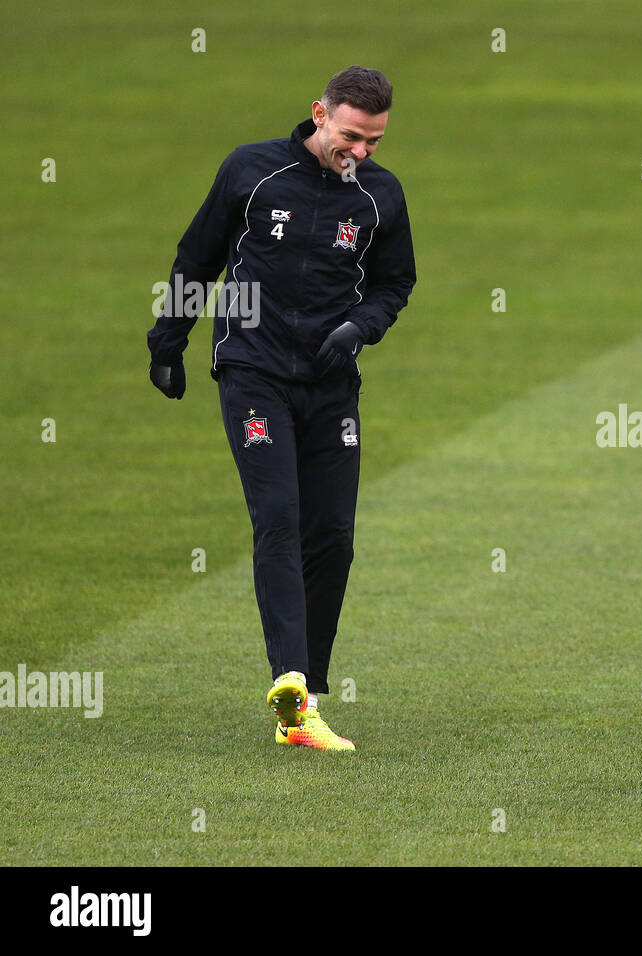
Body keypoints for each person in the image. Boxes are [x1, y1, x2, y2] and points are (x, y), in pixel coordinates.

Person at [146, 65, 416, 751]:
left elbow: (395, 282)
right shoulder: (253, 171)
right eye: (351, 136)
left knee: (333, 538)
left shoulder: (381, 198)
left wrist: (360, 329)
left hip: (332, 386)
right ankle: (289, 684)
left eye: (375, 142)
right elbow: (197, 255)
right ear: (320, 114)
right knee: (280, 519)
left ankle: (309, 701)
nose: (360, 152)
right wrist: (167, 341)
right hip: (254, 371)